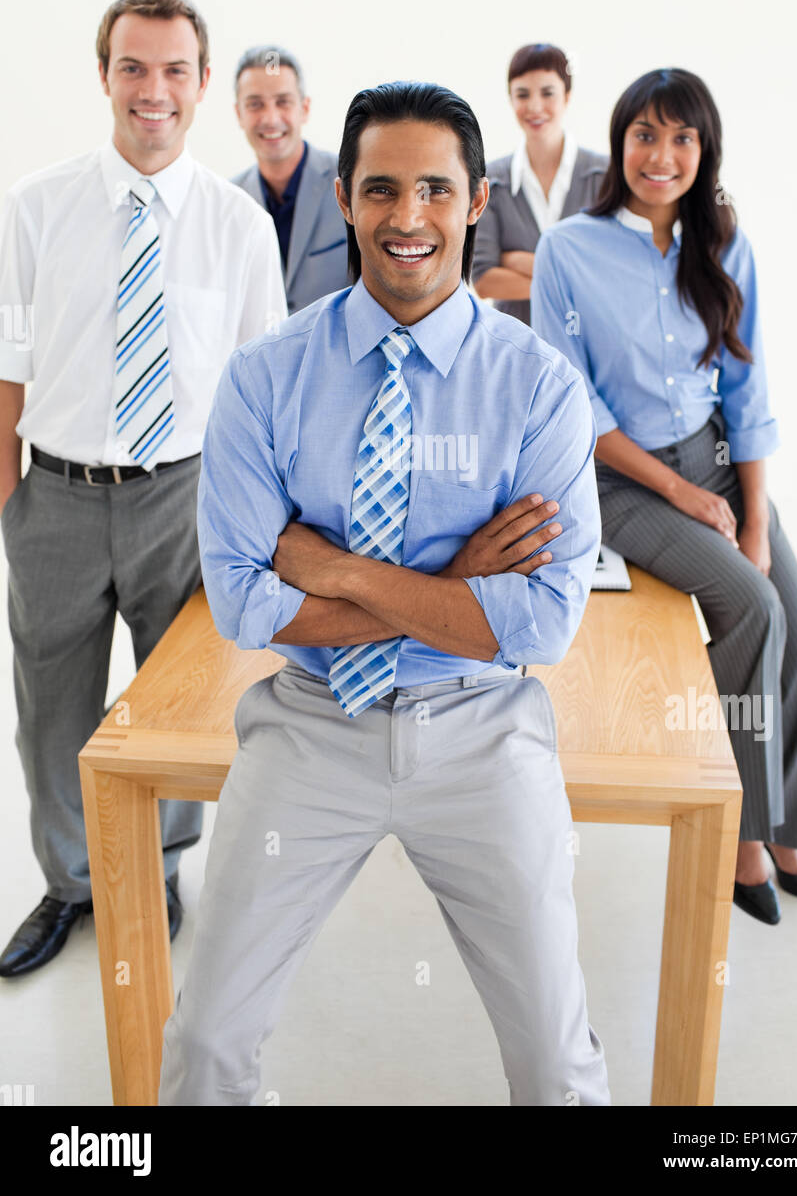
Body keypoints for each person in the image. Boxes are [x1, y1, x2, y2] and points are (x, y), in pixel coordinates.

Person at [158, 80, 610, 1106]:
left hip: (480, 727)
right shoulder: (264, 377)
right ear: (344, 194)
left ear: (477, 198)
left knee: (555, 1062)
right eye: (379, 190)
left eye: (434, 191)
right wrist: (455, 586)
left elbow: (539, 620)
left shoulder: (537, 385)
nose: (407, 218)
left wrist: (338, 569)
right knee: (206, 1048)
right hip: (310, 723)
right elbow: (242, 604)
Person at [0, 0, 287, 978]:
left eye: (173, 70)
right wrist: (10, 500)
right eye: (133, 67)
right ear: (104, 75)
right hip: (57, 496)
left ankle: (160, 863)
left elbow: (259, 394)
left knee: (173, 705)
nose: (151, 90)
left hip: (185, 494)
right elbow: (7, 367)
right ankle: (74, 878)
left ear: (204, 84)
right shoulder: (35, 207)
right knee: (52, 703)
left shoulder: (240, 229)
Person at [530, 66, 797, 926]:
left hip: (717, 467)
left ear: (704, 153)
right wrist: (682, 494)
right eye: (644, 135)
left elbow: (749, 391)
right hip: (622, 480)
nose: (661, 156)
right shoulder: (569, 251)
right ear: (619, 140)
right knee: (752, 610)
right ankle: (741, 839)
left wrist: (756, 517)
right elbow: (575, 404)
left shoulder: (725, 243)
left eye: (682, 139)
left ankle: (789, 831)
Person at [471, 43, 608, 324]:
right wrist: (569, 278)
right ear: (510, 99)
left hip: (590, 341)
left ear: (567, 96)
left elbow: (608, 274)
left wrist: (516, 261)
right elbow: (484, 280)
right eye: (522, 94)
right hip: (517, 347)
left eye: (547, 93)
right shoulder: (491, 181)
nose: (534, 106)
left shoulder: (604, 175)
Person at [232, 45, 349, 314]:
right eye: (255, 104)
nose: (270, 119)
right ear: (239, 113)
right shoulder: (227, 201)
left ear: (304, 108)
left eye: (283, 102)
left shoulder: (351, 183)